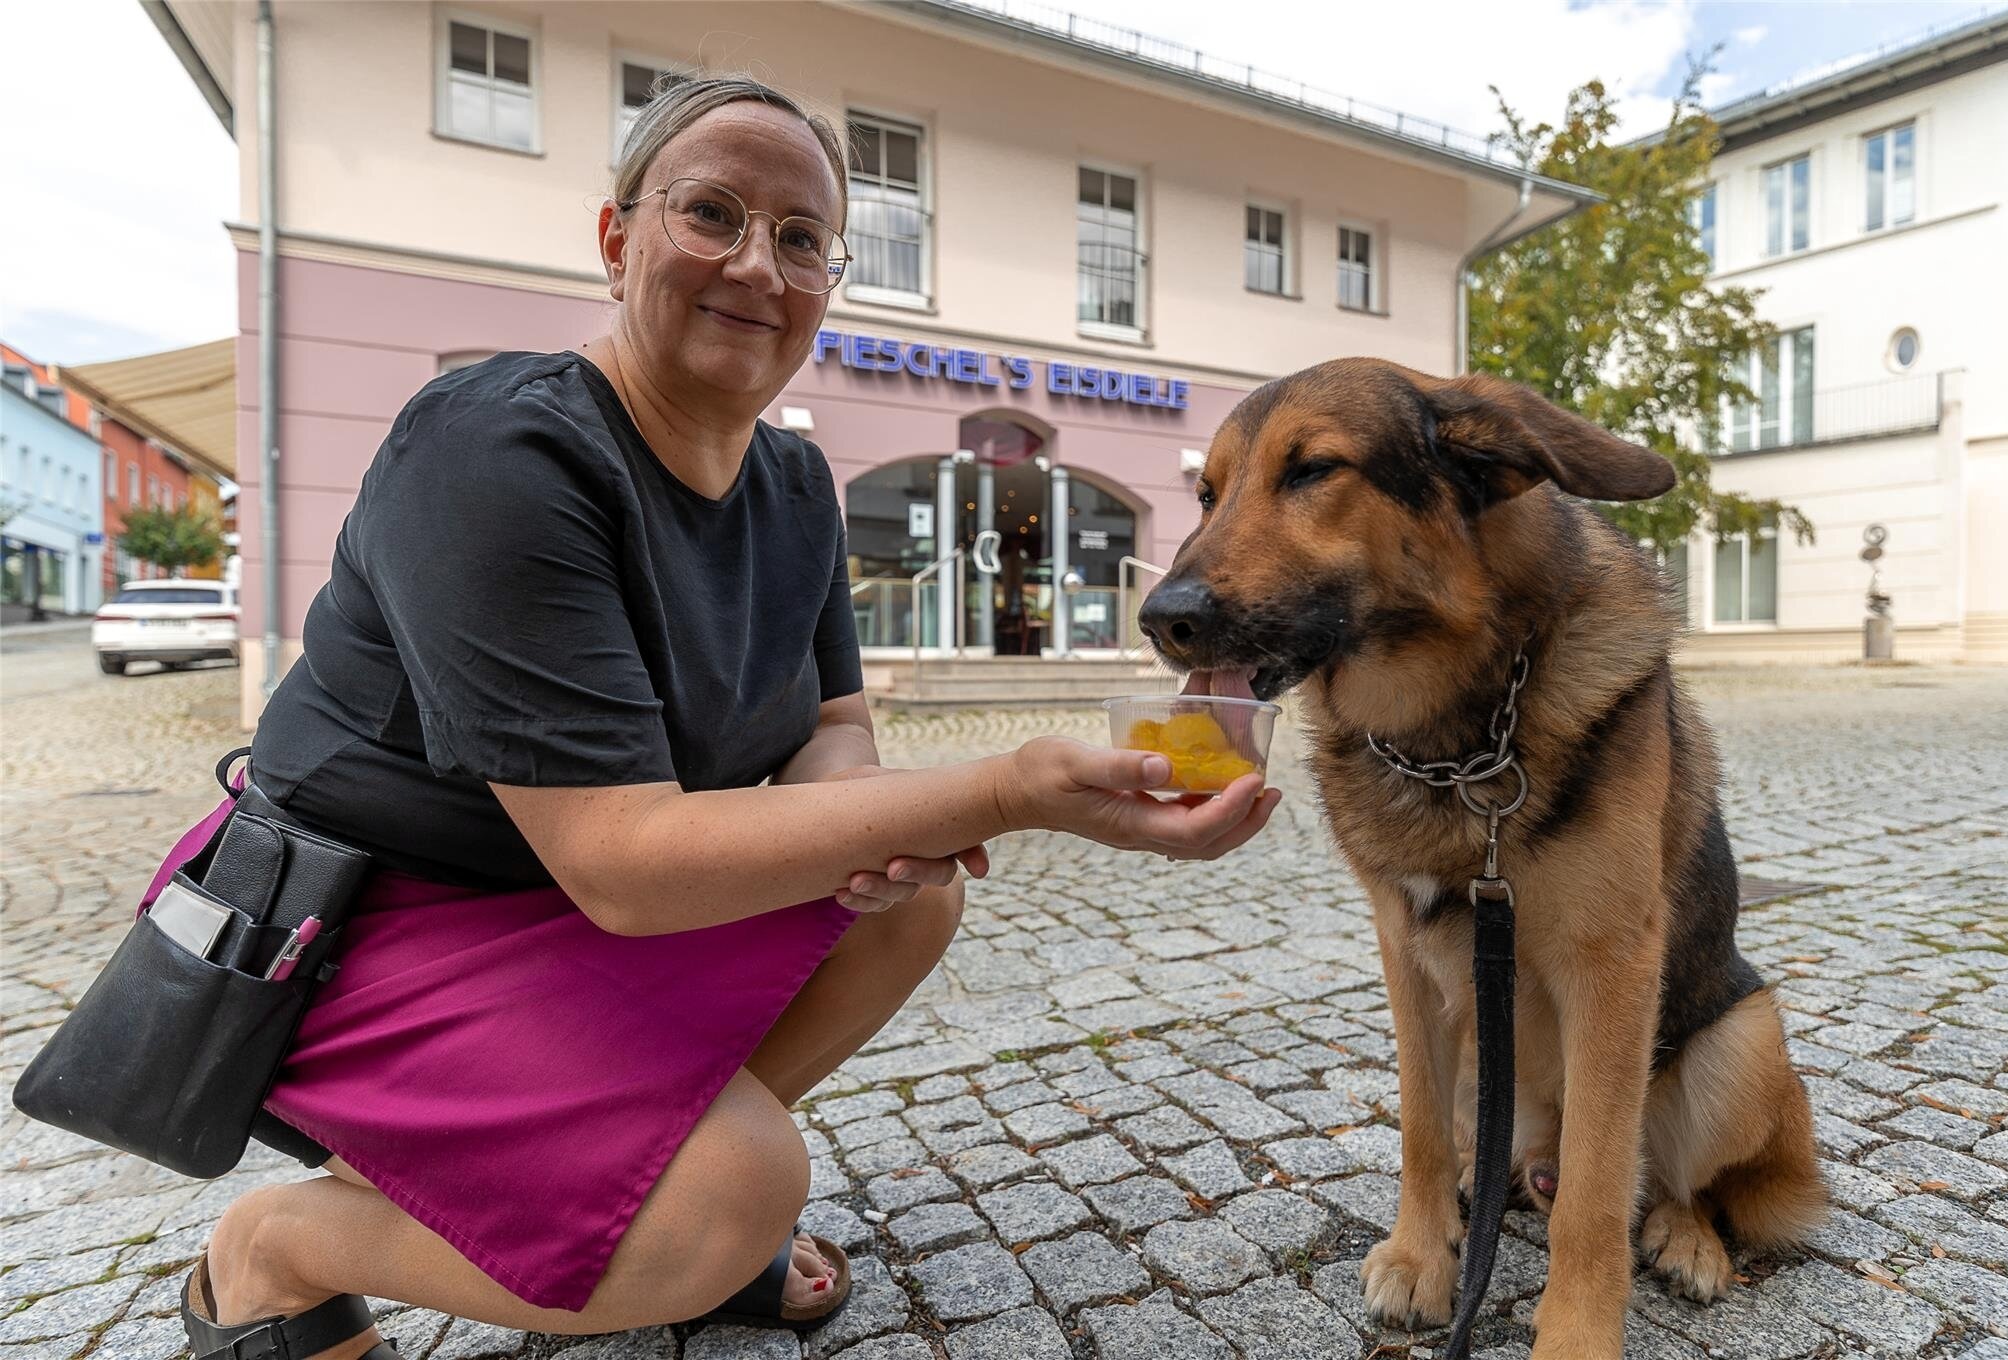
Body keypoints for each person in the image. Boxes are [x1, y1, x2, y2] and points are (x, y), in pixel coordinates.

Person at [174, 74, 1279, 1360]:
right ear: (616, 240)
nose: (759, 264)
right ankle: (281, 1247)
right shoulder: (495, 453)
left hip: (551, 924)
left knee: (907, 901)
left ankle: (594, 1191)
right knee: (735, 1192)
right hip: (353, 929)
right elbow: (625, 863)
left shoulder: (794, 482)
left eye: (802, 238)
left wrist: (867, 822)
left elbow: (833, 730)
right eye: (711, 213)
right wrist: (1008, 790)